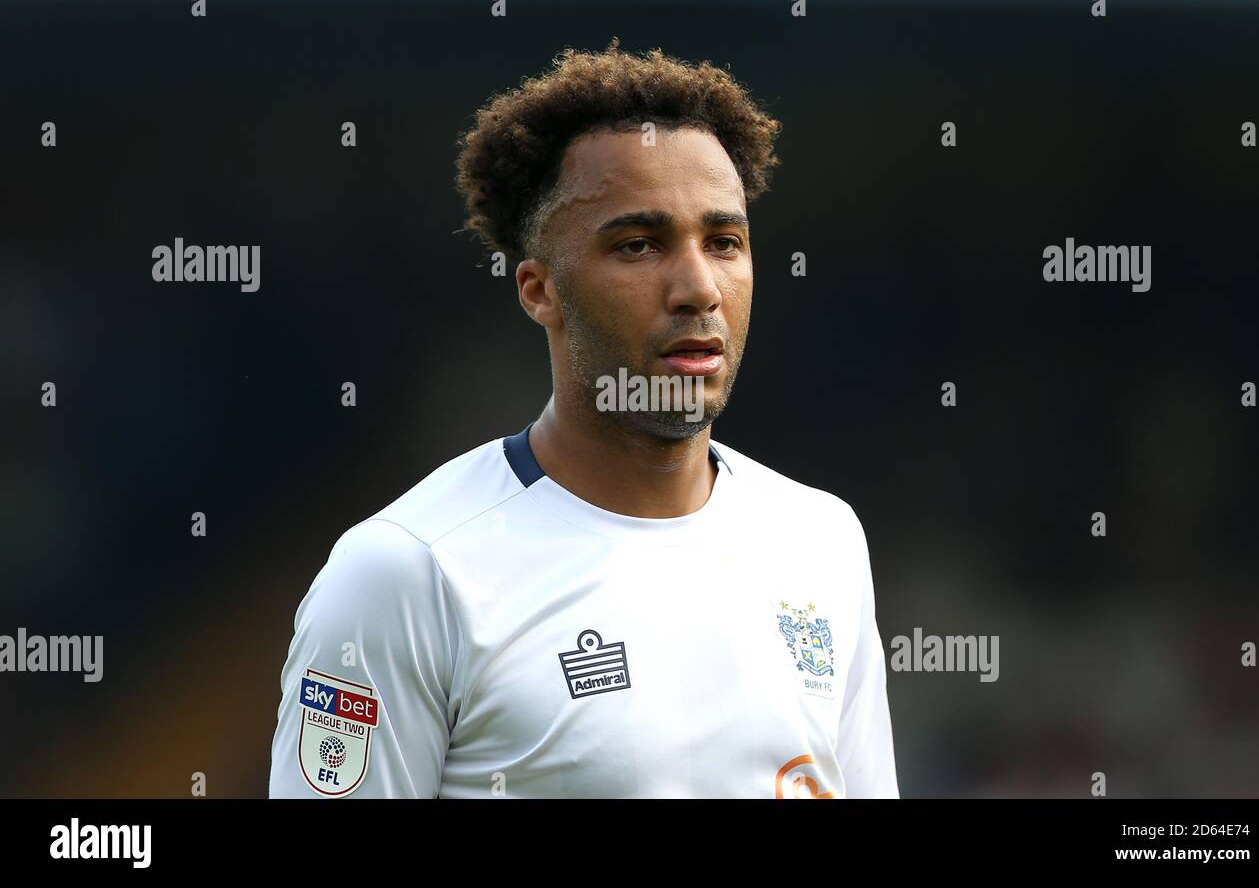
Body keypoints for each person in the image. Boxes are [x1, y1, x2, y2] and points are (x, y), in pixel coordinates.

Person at [269, 39, 898, 799]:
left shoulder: (821, 541)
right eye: (639, 245)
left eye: (724, 242)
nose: (699, 287)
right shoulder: (407, 575)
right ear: (540, 291)